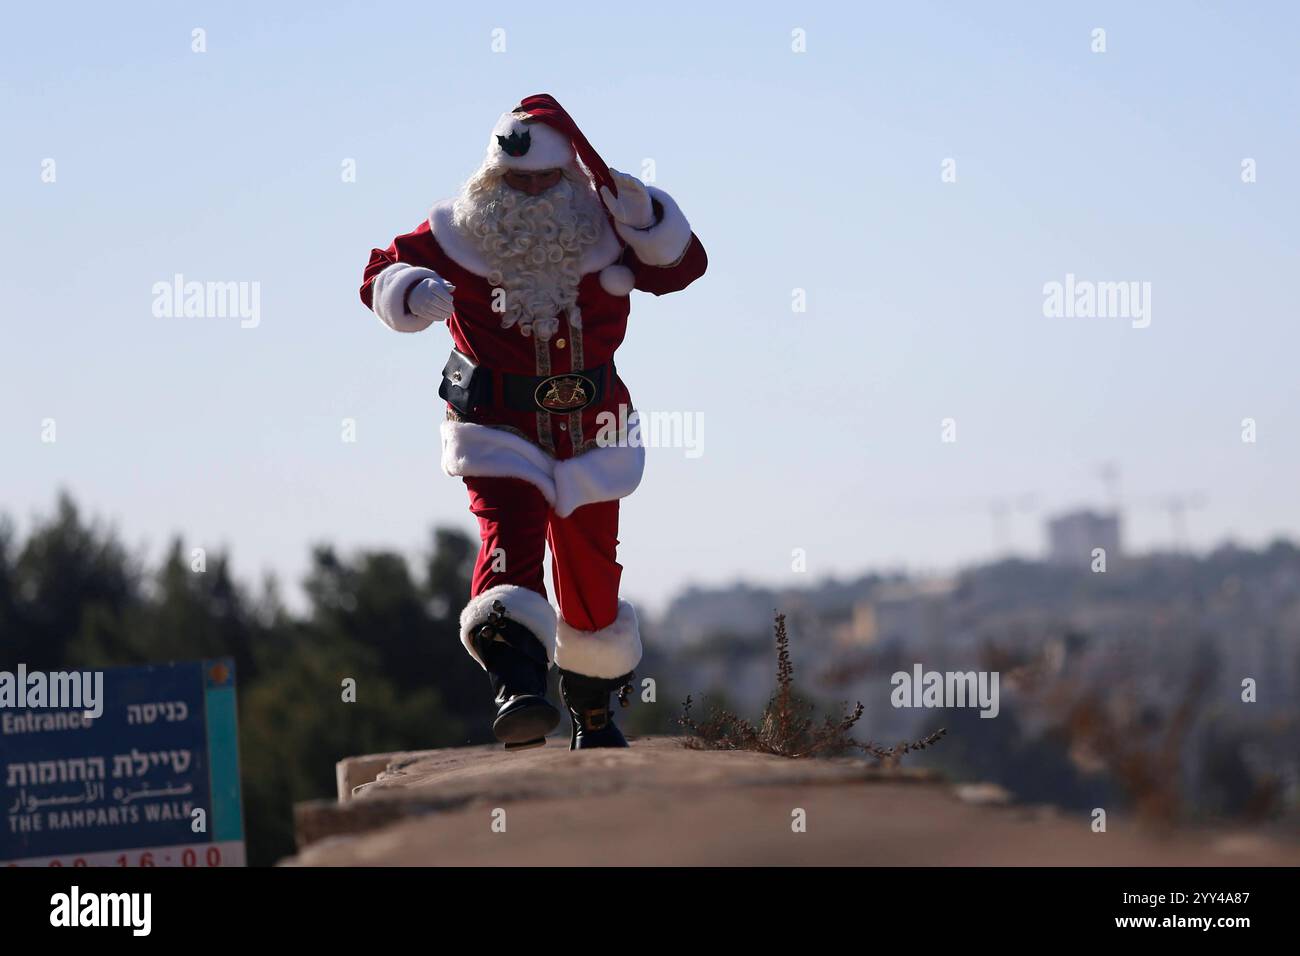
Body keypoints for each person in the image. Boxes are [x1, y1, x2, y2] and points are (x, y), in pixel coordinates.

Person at [359, 94, 707, 750]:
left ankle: (595, 715)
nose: (530, 192)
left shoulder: (605, 226)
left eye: (544, 179)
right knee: (509, 538)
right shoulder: (458, 232)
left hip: (594, 428)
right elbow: (379, 270)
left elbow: (683, 268)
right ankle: (518, 685)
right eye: (515, 181)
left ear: (569, 176)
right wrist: (408, 287)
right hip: (498, 425)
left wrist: (650, 218)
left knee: (591, 568)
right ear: (492, 178)